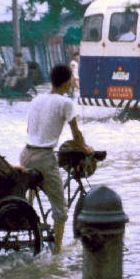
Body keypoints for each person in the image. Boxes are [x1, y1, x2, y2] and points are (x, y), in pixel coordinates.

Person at [21, 64, 95, 252]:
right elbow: (76, 135)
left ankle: (31, 224)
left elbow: (30, 129)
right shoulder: (66, 103)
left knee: (33, 192)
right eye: (71, 78)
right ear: (67, 81)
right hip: (44, 158)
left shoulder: (37, 99)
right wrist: (85, 149)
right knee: (60, 210)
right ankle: (57, 254)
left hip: (26, 154)